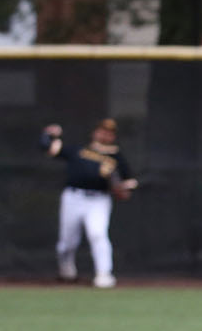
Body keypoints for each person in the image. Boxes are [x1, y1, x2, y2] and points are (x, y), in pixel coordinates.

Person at [41, 117, 138, 288]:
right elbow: (47, 147)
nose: (104, 134)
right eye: (101, 130)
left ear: (113, 136)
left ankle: (104, 274)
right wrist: (49, 134)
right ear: (95, 132)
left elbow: (127, 186)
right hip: (73, 197)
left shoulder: (117, 158)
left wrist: (121, 190)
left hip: (98, 200)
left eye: (108, 132)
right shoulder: (79, 150)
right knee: (66, 242)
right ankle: (66, 270)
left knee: (97, 234)